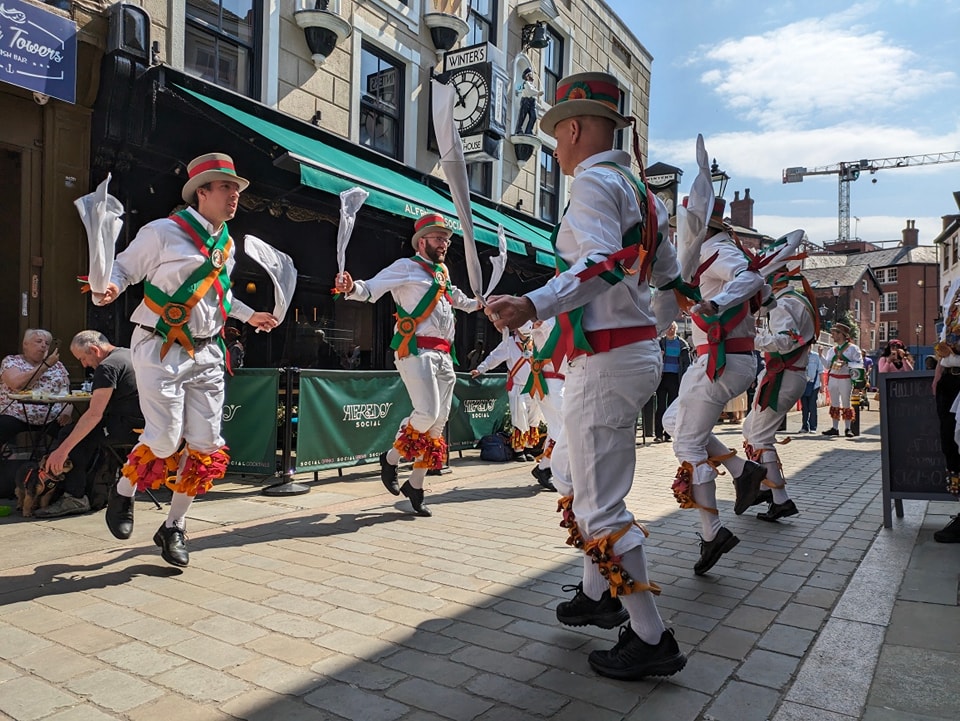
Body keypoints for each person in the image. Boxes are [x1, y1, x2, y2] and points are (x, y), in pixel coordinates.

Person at [484, 72, 687, 681]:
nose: (556, 150)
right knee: (574, 473)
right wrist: (657, 327)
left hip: (607, 359)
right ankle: (596, 597)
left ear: (572, 129)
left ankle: (650, 636)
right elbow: (672, 281)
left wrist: (533, 303)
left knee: (601, 506)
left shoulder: (595, 182)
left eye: (556, 137)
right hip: (626, 352)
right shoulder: (647, 196)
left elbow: (600, 264)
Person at [96, 152, 279, 566]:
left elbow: (222, 295)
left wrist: (251, 315)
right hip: (159, 344)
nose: (235, 195)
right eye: (226, 188)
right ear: (202, 192)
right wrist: (110, 287)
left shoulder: (226, 244)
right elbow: (124, 268)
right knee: (162, 438)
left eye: (236, 189)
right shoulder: (162, 232)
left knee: (207, 445)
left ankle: (174, 526)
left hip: (208, 350)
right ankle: (123, 491)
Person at [334, 214, 480, 517]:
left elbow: (460, 301)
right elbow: (371, 288)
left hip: (443, 355)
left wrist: (483, 302)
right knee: (426, 413)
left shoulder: (443, 273)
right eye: (439, 239)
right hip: (414, 350)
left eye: (447, 239)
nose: (444, 244)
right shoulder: (406, 267)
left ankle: (415, 485)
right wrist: (351, 287)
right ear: (422, 241)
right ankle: (390, 459)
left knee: (437, 424)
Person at [660, 196, 767, 576]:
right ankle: (742, 471)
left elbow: (754, 280)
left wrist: (715, 302)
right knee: (673, 422)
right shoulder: (707, 254)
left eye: (681, 225)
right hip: (714, 360)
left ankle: (713, 533)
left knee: (687, 443)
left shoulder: (718, 250)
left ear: (699, 226)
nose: (676, 232)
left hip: (722, 360)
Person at [34, 331, 143, 518]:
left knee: (71, 435)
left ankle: (74, 496)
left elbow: (94, 414)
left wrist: (62, 451)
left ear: (94, 349)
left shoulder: (107, 367)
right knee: (79, 432)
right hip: (147, 426)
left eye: (83, 358)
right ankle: (94, 489)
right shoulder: (130, 354)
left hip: (127, 428)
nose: (84, 364)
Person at [743, 263, 817, 522]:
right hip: (785, 374)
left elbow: (785, 341)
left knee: (760, 437)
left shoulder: (782, 304)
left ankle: (780, 498)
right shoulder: (794, 300)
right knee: (750, 428)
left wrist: (748, 337)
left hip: (782, 375)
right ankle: (765, 488)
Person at [472, 324, 541, 462]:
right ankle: (518, 450)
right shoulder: (509, 343)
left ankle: (528, 448)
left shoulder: (537, 341)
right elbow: (495, 357)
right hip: (517, 386)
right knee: (519, 416)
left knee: (534, 416)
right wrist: (481, 369)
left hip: (534, 386)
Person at [1, 329, 74, 450]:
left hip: (52, 417)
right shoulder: (12, 361)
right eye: (39, 341)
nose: (43, 345)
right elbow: (17, 384)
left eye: (47, 343)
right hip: (15, 415)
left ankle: (63, 465)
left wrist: (66, 412)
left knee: (73, 434)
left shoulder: (58, 365)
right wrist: (45, 366)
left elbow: (66, 393)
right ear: (25, 344)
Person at [931, 277, 960, 542]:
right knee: (950, 444)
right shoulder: (957, 284)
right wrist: (941, 367)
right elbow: (946, 332)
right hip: (951, 375)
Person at [524, 317, 563, 491]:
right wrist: (536, 321)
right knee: (564, 428)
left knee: (559, 428)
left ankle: (547, 468)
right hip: (549, 383)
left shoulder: (564, 319)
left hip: (561, 382)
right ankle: (545, 468)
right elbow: (527, 327)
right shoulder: (546, 319)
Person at [819, 323, 863, 437]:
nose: (832, 336)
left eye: (834, 333)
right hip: (833, 378)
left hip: (845, 379)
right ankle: (835, 428)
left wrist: (847, 363)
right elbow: (828, 366)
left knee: (846, 402)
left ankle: (848, 428)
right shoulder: (831, 350)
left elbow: (860, 364)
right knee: (834, 403)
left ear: (841, 334)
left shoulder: (853, 349)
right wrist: (820, 356)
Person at [653, 322, 690, 442]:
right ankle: (658, 434)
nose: (671, 330)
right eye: (669, 328)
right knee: (661, 406)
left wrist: (686, 380)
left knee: (672, 407)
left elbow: (686, 364)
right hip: (662, 378)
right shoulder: (661, 343)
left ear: (676, 329)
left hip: (676, 377)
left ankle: (668, 434)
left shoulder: (682, 344)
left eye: (673, 328)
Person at [800, 345, 824, 433]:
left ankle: (813, 427)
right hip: (802, 384)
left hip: (814, 385)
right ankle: (804, 426)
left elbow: (821, 371)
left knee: (812, 406)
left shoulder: (816, 356)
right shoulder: (800, 356)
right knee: (804, 407)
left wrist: (822, 385)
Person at [514, 68, 542, 135]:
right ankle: (518, 129)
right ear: (527, 76)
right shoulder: (526, 84)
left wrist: (539, 107)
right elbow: (530, 91)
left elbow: (533, 97)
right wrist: (538, 93)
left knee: (533, 116)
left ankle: (528, 130)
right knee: (522, 116)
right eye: (531, 75)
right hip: (526, 102)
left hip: (532, 103)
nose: (532, 76)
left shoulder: (532, 85)